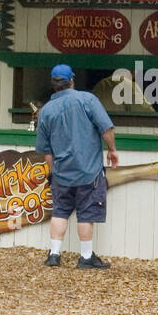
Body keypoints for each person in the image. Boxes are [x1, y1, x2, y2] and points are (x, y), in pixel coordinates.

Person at [36, 64, 119, 269]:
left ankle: (54, 254)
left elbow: (46, 150)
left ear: (53, 84)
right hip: (88, 170)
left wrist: (53, 171)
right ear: (72, 79)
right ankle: (85, 257)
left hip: (62, 173)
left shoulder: (45, 111)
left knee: (59, 211)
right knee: (87, 213)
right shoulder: (87, 100)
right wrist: (112, 149)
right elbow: (106, 128)